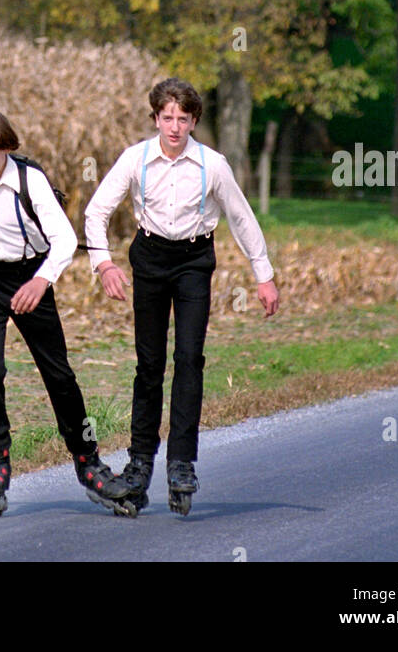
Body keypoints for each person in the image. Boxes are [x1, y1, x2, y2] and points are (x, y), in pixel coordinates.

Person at [85, 77, 279, 514]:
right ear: (155, 118)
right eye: (167, 117)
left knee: (189, 358)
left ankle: (182, 463)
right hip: (150, 258)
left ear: (194, 121)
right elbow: (96, 211)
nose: (174, 127)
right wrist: (104, 263)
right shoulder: (136, 159)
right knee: (149, 364)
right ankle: (138, 464)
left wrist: (263, 276)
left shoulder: (214, 165)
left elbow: (242, 218)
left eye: (183, 119)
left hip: (194, 261)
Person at [0, 106, 132, 517]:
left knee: (59, 376)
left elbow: (63, 239)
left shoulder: (29, 181)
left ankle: (88, 460)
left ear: (6, 148)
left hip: (31, 275)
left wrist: (40, 283)